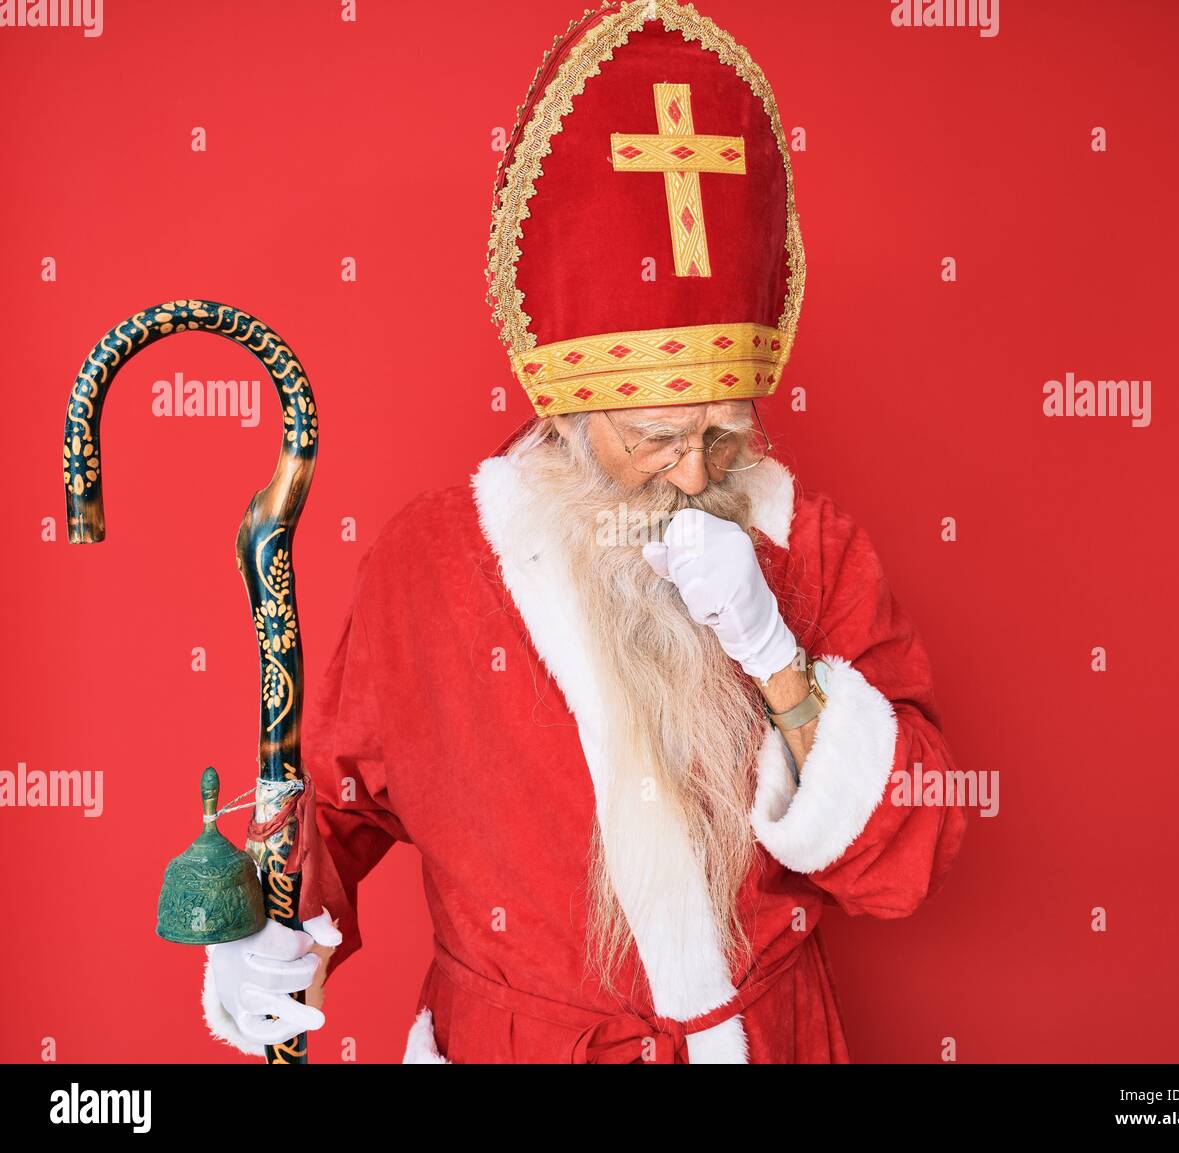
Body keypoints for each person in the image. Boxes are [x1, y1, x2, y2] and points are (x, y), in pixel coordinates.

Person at [201, 0, 968, 1064]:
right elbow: (329, 809)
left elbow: (914, 853)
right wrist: (262, 927)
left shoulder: (813, 543)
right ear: (568, 406)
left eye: (725, 433)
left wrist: (779, 664)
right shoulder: (431, 562)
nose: (696, 475)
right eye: (658, 436)